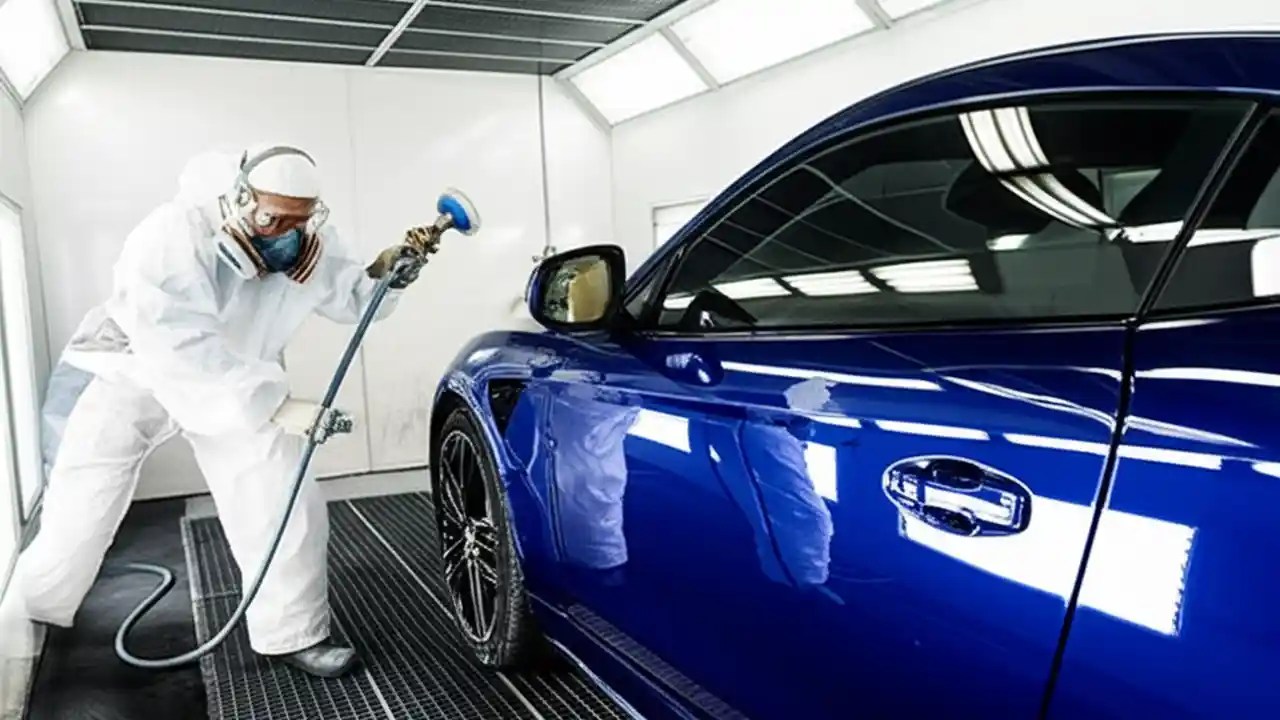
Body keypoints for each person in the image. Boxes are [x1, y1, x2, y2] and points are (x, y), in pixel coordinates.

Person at [11, 143, 428, 678]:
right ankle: (35, 605)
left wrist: (381, 276)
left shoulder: (303, 239)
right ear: (239, 199)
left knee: (279, 488)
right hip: (134, 370)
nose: (287, 237)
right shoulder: (170, 235)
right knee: (83, 497)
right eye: (274, 220)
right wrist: (275, 404)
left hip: (240, 374)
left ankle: (293, 632)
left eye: (300, 223)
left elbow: (349, 294)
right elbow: (179, 349)